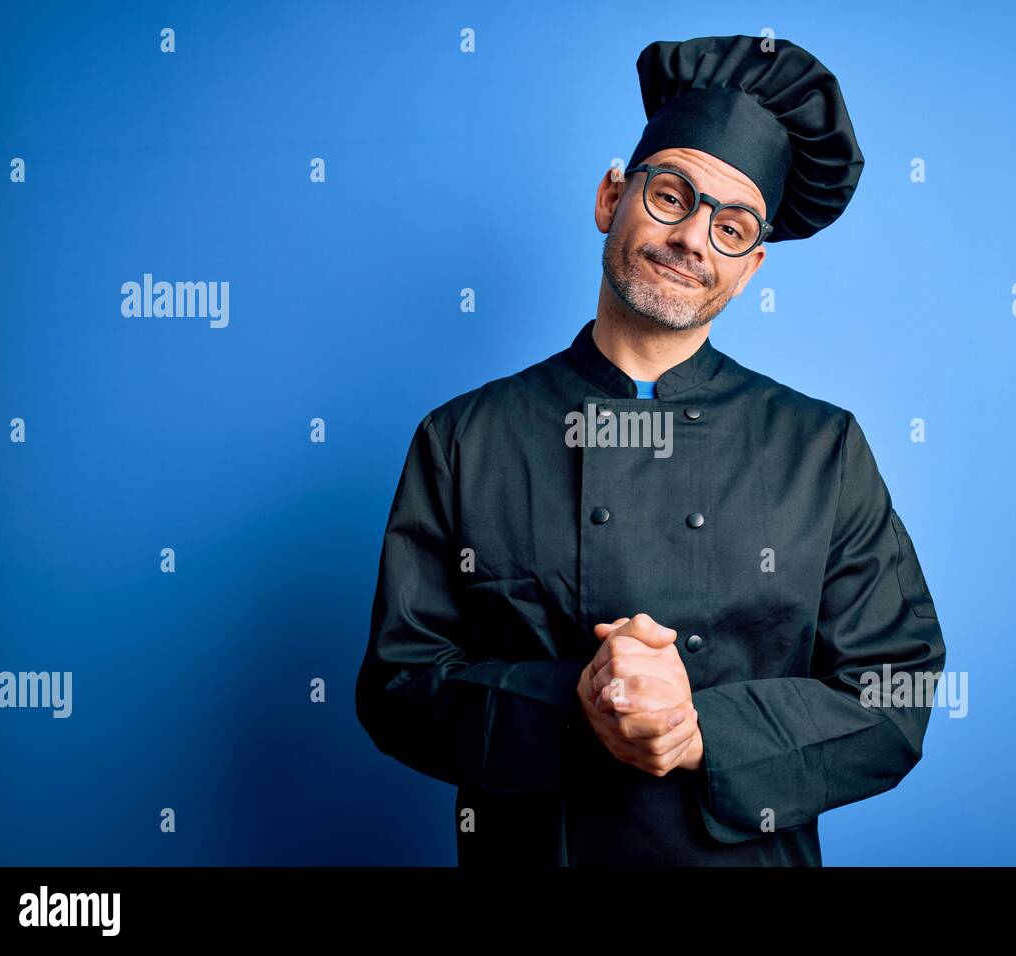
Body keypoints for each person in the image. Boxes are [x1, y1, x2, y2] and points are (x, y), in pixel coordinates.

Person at [355, 33, 947, 866]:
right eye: (671, 195)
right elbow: (397, 687)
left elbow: (900, 690)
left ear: (749, 267)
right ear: (610, 198)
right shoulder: (464, 438)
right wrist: (574, 702)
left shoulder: (823, 449)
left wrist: (701, 729)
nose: (694, 238)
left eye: (733, 226)